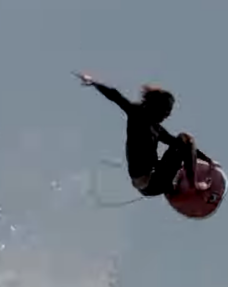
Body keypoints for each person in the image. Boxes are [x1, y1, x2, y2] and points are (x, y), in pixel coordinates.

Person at [74, 71, 214, 197]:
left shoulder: (157, 129)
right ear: (156, 107)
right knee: (186, 138)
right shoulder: (137, 114)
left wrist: (207, 160)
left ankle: (171, 186)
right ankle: (193, 187)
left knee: (180, 143)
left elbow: (183, 147)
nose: (167, 116)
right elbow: (115, 96)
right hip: (151, 183)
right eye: (166, 112)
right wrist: (93, 82)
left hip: (149, 184)